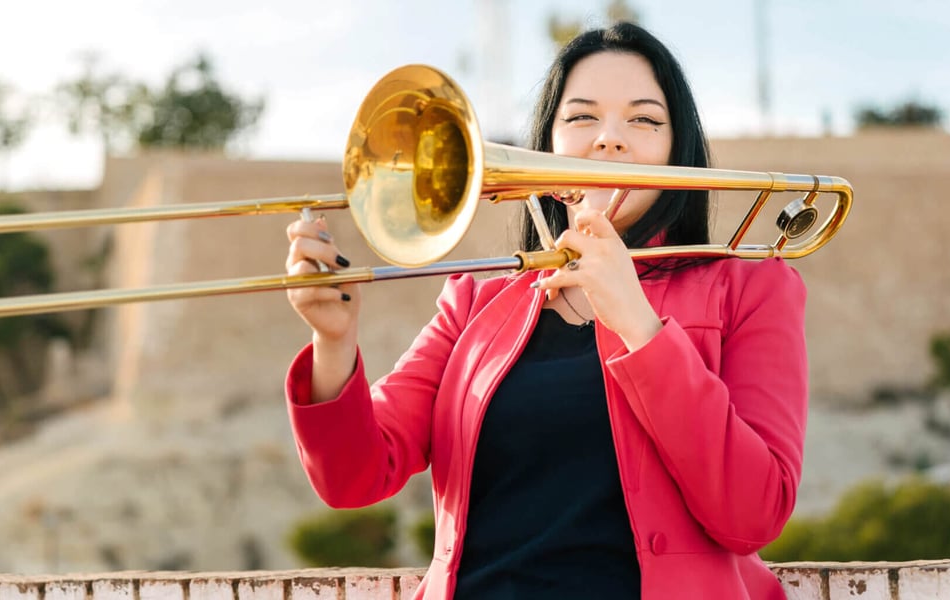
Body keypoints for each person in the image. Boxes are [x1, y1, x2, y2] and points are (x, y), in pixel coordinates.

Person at [283, 22, 807, 600]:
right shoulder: (473, 302)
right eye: (581, 118)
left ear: (678, 149)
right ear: (547, 146)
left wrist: (638, 322)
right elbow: (353, 475)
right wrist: (333, 342)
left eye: (645, 120)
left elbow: (754, 514)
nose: (609, 140)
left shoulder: (752, 287)